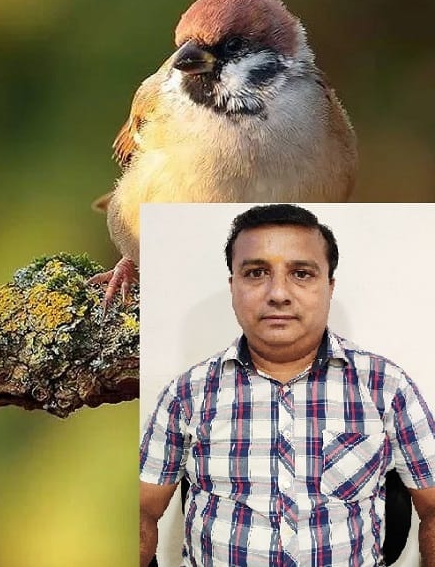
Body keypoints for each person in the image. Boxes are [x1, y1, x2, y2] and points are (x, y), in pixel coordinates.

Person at [139, 203, 435, 566]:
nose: (278, 293)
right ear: (233, 286)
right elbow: (141, 511)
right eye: (256, 273)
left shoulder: (386, 387)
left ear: (329, 286)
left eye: (301, 274)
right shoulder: (187, 394)